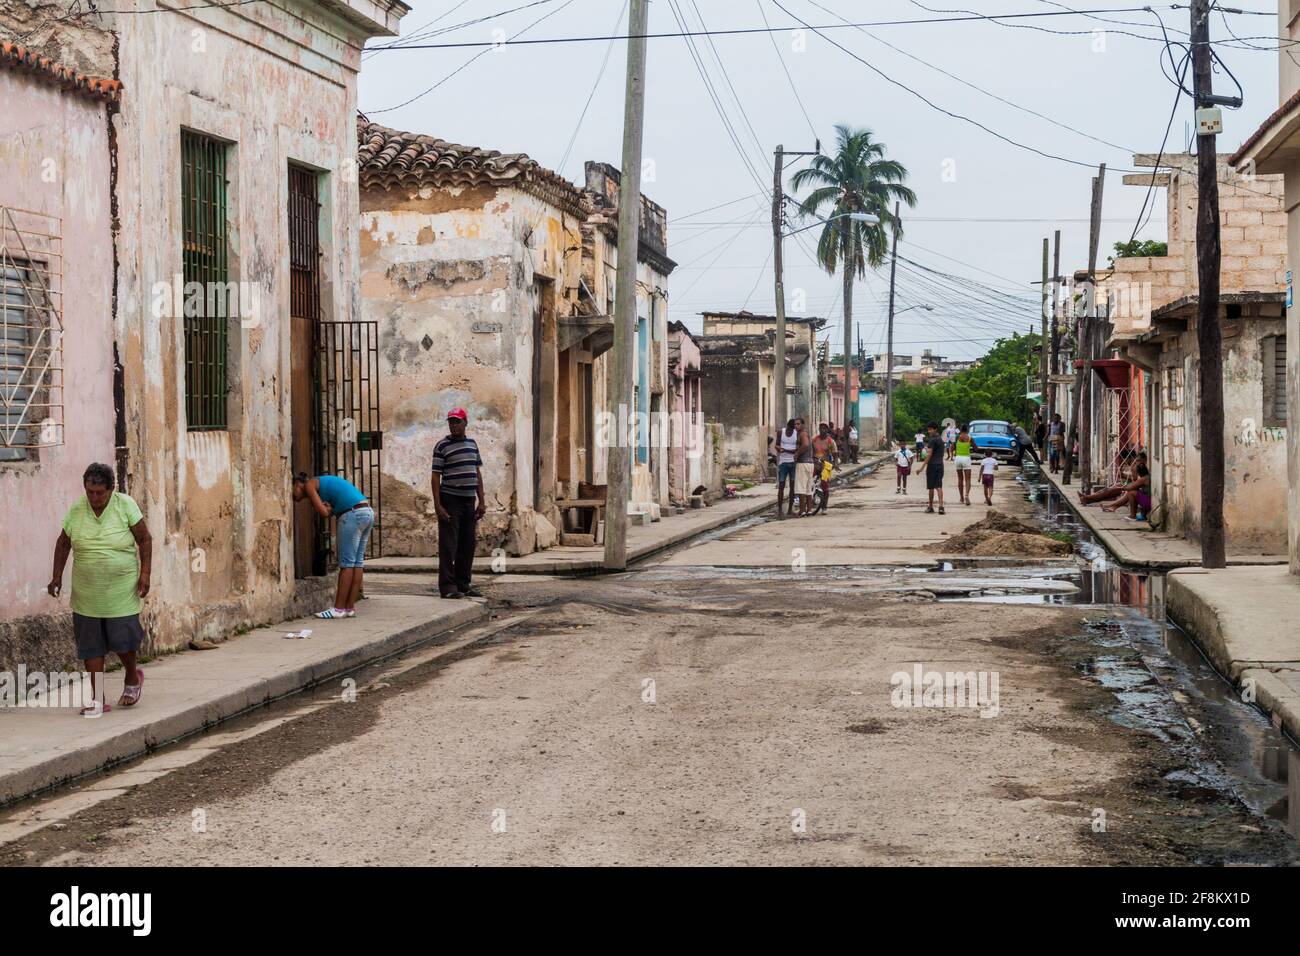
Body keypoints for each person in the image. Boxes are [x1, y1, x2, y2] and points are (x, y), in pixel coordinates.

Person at [47, 463, 152, 715]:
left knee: (123, 641)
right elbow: (64, 543)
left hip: (121, 590)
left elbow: (144, 539)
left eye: (99, 493)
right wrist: (56, 576)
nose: (94, 498)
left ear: (111, 490)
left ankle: (132, 677)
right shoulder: (77, 509)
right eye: (90, 492)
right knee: (91, 646)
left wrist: (145, 573)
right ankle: (98, 697)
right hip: (87, 592)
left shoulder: (125, 505)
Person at [293, 472, 374, 619]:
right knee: (357, 563)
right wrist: (329, 509)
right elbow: (329, 508)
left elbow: (324, 513)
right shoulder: (322, 485)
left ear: (298, 483)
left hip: (352, 515)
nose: (293, 495)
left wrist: (327, 509)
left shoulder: (310, 484)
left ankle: (338, 609)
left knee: (347, 564)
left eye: (292, 489)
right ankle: (349, 608)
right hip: (366, 511)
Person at [431, 407, 487, 598]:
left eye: (457, 421)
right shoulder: (442, 446)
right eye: (451, 422)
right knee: (449, 545)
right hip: (450, 499)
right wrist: (438, 506)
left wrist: (482, 501)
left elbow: (476, 472)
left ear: (465, 423)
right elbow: (435, 477)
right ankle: (447, 587)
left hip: (469, 501)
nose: (454, 425)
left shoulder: (472, 444)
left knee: (467, 544)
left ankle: (463, 583)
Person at [1080, 452, 1149, 505]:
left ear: (1144, 460)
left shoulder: (1142, 468)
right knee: (1111, 487)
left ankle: (1088, 498)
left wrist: (1127, 474)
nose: (1137, 462)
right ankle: (1089, 498)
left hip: (1134, 487)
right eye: (1136, 460)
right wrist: (1124, 476)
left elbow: (1135, 480)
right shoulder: (1138, 466)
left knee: (1113, 489)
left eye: (1138, 460)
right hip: (1130, 485)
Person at [775, 418, 804, 518]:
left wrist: (786, 450)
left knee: (792, 487)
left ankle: (789, 510)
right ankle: (779, 510)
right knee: (781, 486)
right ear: (786, 426)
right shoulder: (780, 432)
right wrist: (781, 449)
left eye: (791, 430)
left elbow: (798, 448)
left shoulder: (796, 433)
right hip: (783, 463)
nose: (789, 431)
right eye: (788, 429)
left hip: (793, 463)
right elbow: (776, 446)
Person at [915, 421, 946, 514]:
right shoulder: (940, 439)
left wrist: (921, 468)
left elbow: (929, 455)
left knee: (931, 487)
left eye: (930, 429)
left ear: (935, 429)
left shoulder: (932, 440)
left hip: (932, 465)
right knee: (939, 486)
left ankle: (931, 506)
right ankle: (941, 506)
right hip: (940, 465)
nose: (929, 431)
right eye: (928, 429)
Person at [811, 423, 838, 514]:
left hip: (825, 466)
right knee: (811, 483)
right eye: (821, 428)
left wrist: (835, 463)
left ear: (827, 430)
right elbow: (811, 452)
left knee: (825, 486)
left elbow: (835, 453)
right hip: (815, 464)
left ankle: (824, 506)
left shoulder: (830, 441)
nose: (822, 430)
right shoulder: (814, 440)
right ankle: (811, 501)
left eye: (824, 428)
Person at [794, 417, 817, 517]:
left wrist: (797, 454)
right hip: (810, 463)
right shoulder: (807, 433)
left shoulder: (802, 434)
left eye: (798, 424)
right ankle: (810, 510)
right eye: (795, 424)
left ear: (803, 424)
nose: (796, 426)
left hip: (803, 463)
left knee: (801, 488)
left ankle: (802, 510)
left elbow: (806, 445)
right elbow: (813, 447)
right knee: (808, 488)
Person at [953, 424, 974, 506]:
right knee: (967, 479)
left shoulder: (957, 437)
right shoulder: (970, 438)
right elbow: (976, 448)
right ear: (967, 430)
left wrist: (954, 453)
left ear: (961, 430)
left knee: (960, 478)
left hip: (958, 458)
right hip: (966, 458)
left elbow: (952, 447)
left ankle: (961, 498)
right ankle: (966, 495)